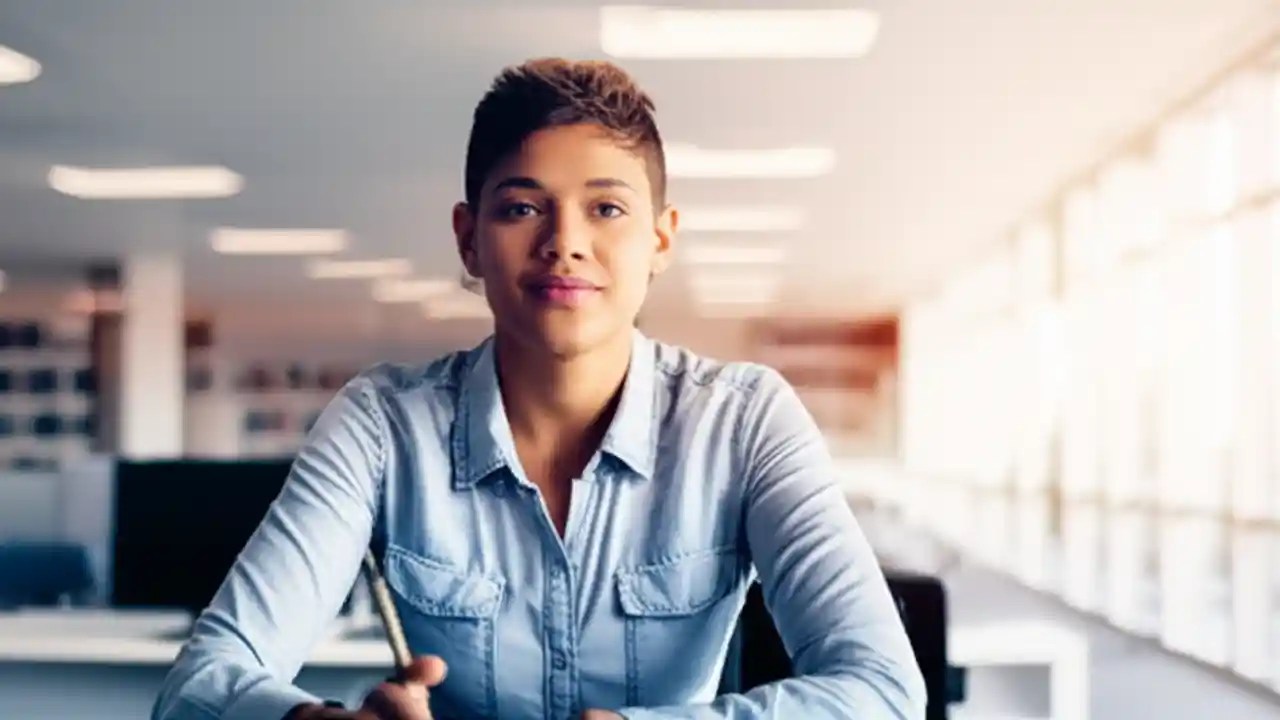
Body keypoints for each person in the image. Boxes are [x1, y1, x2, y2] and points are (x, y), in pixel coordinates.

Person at [152, 57, 926, 720]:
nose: (565, 243)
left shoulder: (743, 421)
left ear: (660, 239)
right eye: (522, 208)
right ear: (468, 240)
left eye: (607, 209)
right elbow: (199, 685)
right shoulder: (383, 425)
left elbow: (881, 691)